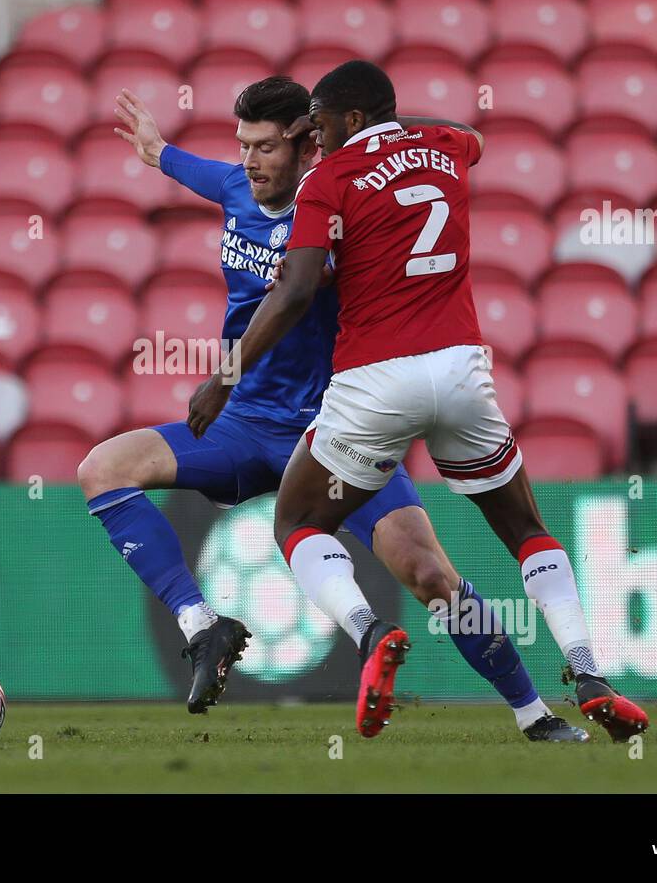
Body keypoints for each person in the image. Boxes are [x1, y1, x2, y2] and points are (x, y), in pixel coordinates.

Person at [79, 78, 585, 741]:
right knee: (102, 468)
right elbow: (191, 168)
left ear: (306, 142)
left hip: (337, 435)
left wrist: (221, 376)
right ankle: (205, 628)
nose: (251, 161)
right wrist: (158, 151)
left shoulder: (340, 204)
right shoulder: (237, 187)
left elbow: (296, 293)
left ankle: (533, 713)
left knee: (431, 574)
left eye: (265, 146)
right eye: (244, 146)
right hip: (241, 429)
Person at [186, 60, 648, 742]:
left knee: (296, 519)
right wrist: (399, 133)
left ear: (347, 120)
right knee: (525, 527)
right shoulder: (448, 150)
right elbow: (467, 134)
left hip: (375, 382)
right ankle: (586, 672)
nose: (315, 137)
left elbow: (295, 290)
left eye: (320, 123)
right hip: (463, 373)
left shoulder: (328, 181)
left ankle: (369, 631)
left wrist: (224, 375)